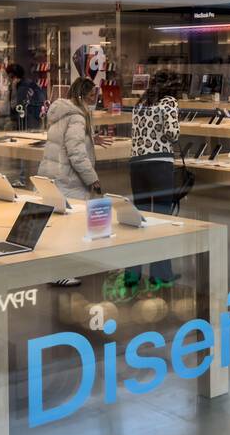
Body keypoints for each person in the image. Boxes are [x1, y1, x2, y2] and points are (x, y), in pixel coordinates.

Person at [38, 78, 111, 288]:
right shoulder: (77, 118)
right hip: (69, 179)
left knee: (59, 225)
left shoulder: (61, 112)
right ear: (82, 96)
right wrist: (93, 178)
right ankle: (61, 272)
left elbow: (68, 141)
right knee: (69, 227)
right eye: (91, 97)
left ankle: (58, 270)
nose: (93, 101)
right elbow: (76, 153)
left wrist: (90, 138)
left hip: (55, 175)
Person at [123, 71, 182, 294]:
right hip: (159, 165)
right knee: (162, 220)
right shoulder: (168, 103)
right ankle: (161, 275)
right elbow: (172, 133)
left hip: (137, 165)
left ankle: (132, 274)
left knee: (140, 220)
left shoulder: (140, 103)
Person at [5, 63, 44, 131]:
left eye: (9, 76)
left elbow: (15, 105)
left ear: (13, 76)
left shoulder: (23, 87)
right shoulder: (29, 84)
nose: (8, 79)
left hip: (27, 122)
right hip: (31, 121)